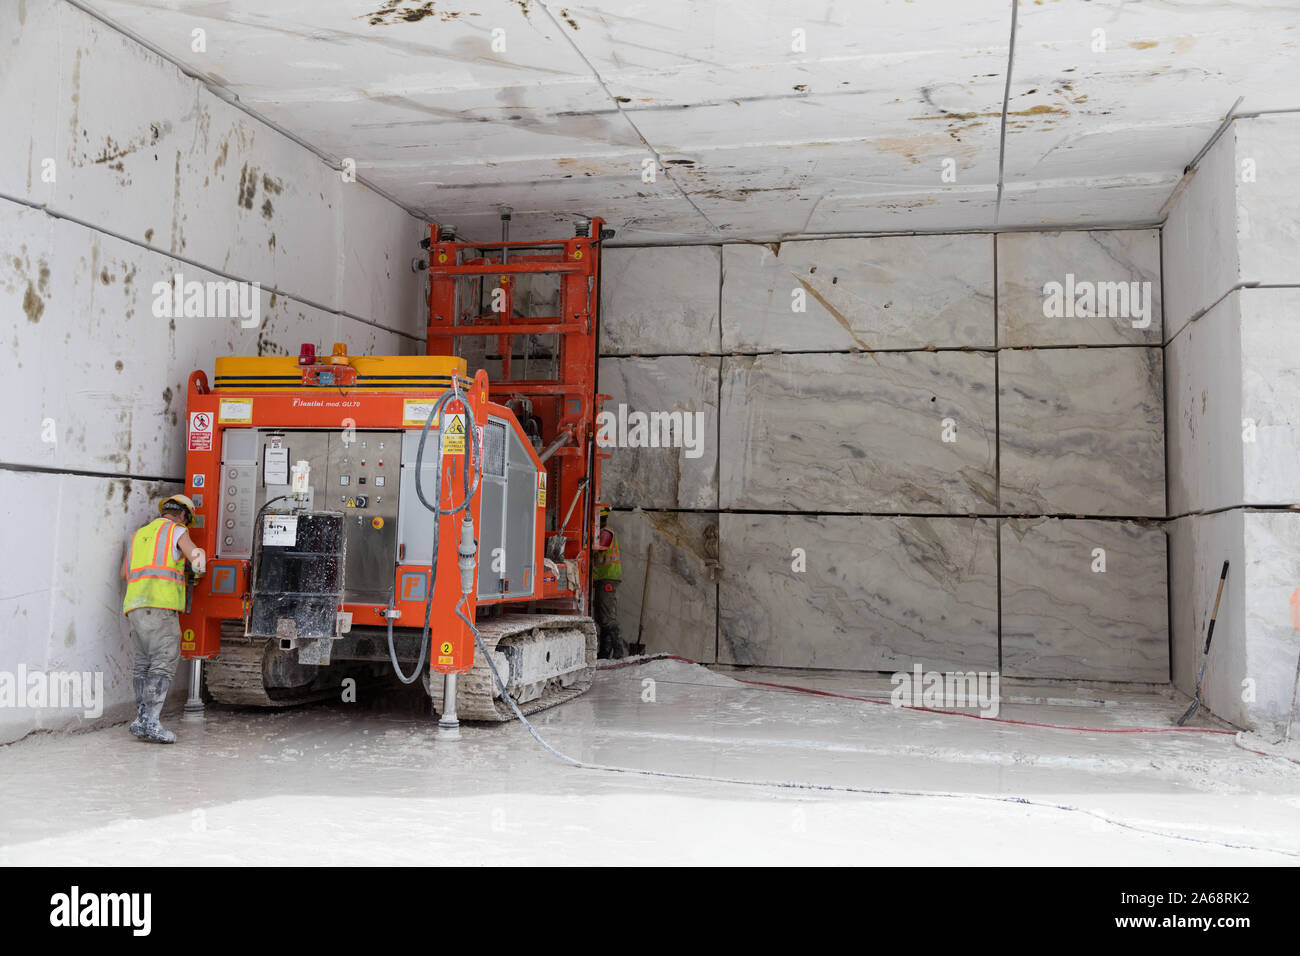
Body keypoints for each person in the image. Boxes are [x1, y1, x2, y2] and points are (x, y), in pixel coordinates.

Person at [119, 494, 206, 743]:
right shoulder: (176, 531)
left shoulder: (138, 535)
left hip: (135, 606)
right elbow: (197, 559)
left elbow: (124, 572)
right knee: (162, 662)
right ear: (183, 515)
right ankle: (152, 722)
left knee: (142, 663)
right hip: (161, 606)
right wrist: (197, 569)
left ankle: (141, 720)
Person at [592, 505, 626, 659]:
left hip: (608, 578)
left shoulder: (606, 533)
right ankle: (605, 652)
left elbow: (597, 548)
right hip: (602, 578)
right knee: (600, 616)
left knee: (606, 615)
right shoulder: (602, 532)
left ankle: (618, 650)